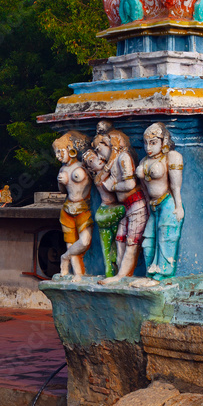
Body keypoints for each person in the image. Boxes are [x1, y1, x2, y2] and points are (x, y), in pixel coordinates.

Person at [93, 121, 147, 284]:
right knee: (120, 239)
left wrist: (114, 184)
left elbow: (130, 184)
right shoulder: (115, 160)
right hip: (127, 206)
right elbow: (101, 181)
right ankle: (122, 274)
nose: (100, 153)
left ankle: (121, 276)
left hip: (136, 204)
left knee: (131, 242)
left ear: (114, 145)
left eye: (105, 145)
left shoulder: (124, 157)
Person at [135, 122, 185, 285]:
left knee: (166, 239)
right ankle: (151, 274)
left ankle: (162, 275)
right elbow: (144, 187)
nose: (148, 147)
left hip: (168, 203)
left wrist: (178, 206)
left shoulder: (172, 157)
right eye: (146, 142)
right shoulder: (144, 160)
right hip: (154, 206)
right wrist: (149, 206)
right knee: (148, 242)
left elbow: (175, 185)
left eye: (153, 142)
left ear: (163, 142)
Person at [53, 131, 93, 278]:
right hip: (68, 208)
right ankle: (77, 273)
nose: (58, 156)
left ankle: (64, 257)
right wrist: (62, 183)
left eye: (60, 152)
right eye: (56, 153)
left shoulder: (84, 166)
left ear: (70, 149)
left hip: (83, 207)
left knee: (84, 241)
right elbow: (63, 191)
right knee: (70, 242)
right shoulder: (63, 169)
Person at [82, 148, 125, 278]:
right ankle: (111, 272)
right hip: (107, 211)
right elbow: (109, 168)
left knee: (112, 245)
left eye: (97, 157)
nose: (99, 159)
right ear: (90, 168)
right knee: (108, 248)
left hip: (109, 212)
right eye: (91, 160)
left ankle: (114, 271)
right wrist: (116, 152)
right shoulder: (99, 177)